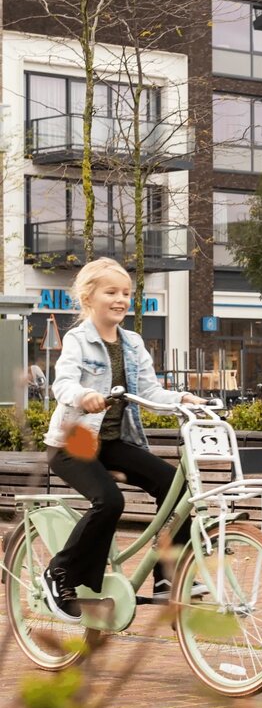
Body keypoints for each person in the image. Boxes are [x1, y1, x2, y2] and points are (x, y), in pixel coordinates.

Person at [40, 258, 204, 622]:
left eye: (126, 293)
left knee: (175, 488)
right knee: (109, 501)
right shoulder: (77, 339)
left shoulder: (132, 342)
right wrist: (82, 395)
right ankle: (60, 572)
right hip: (73, 443)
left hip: (111, 443)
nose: (121, 299)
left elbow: (149, 390)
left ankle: (167, 578)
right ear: (88, 296)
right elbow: (62, 383)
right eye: (111, 292)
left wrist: (183, 399)